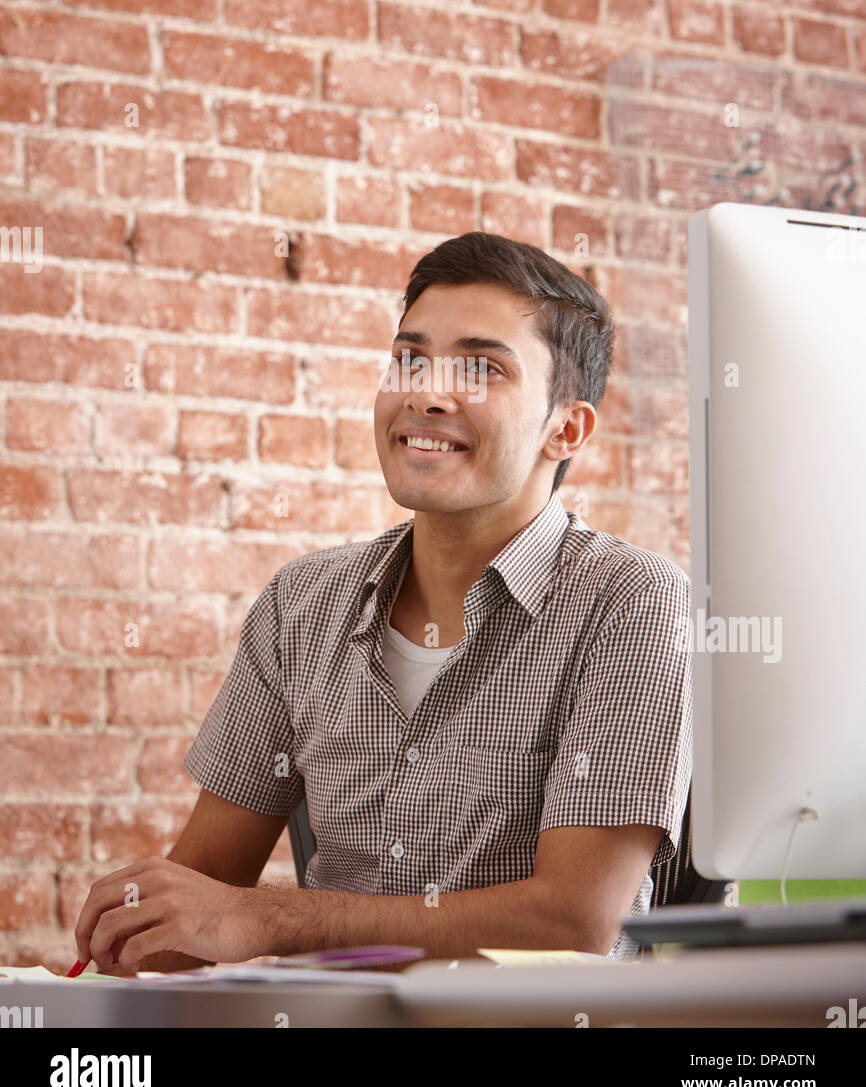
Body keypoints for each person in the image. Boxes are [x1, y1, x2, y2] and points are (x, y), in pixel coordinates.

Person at [74, 232, 692, 973]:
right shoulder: (299, 606)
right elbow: (200, 897)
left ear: (566, 428)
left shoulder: (632, 604)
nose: (426, 392)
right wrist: (121, 955)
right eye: (410, 358)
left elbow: (574, 921)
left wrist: (271, 919)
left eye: (482, 368)